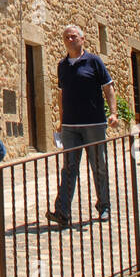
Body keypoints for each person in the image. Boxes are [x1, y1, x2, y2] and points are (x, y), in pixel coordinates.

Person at [47, 24, 118, 228]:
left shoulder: (94, 61)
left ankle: (104, 206)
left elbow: (108, 88)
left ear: (82, 38)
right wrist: (61, 119)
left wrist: (113, 113)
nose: (70, 40)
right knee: (68, 168)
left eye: (73, 36)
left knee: (99, 166)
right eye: (66, 37)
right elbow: (61, 93)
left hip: (94, 123)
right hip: (70, 125)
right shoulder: (62, 65)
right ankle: (62, 212)